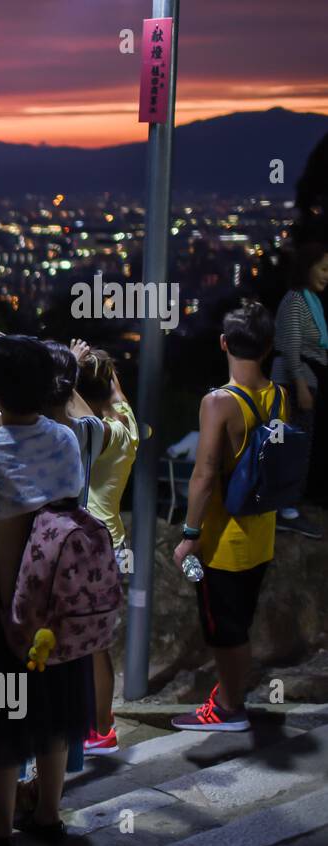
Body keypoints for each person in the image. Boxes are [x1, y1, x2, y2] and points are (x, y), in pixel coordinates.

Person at [0, 335, 92, 846]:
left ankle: (2, 828)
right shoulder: (65, 441)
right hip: (56, 606)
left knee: (1, 720)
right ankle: (49, 814)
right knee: (54, 714)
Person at [172, 302, 283, 732]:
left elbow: (203, 474)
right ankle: (229, 693)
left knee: (223, 630)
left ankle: (229, 709)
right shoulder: (278, 395)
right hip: (261, 534)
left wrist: (189, 535)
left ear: (224, 343)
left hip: (223, 544)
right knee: (240, 620)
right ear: (269, 346)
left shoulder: (219, 401)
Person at [70, 340, 139, 754]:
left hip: (90, 544)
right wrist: (100, 370)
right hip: (111, 538)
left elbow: (66, 402)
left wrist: (69, 363)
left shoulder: (101, 433)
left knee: (91, 645)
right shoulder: (126, 423)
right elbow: (115, 396)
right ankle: (99, 723)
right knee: (97, 643)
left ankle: (99, 728)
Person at [271, 241, 328, 538]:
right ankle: (285, 509)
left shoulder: (310, 302)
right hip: (293, 384)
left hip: (303, 381)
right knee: (292, 447)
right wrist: (302, 386)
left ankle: (289, 505)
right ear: (308, 268)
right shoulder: (296, 301)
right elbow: (292, 348)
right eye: (323, 268)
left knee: (299, 447)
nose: (327, 275)